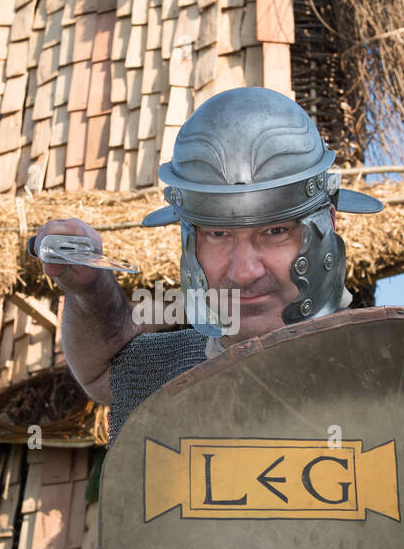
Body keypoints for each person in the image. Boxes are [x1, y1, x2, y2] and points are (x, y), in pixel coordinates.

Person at [33, 87, 382, 442]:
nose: (244, 272)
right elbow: (101, 372)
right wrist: (90, 289)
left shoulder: (400, 365)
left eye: (275, 231)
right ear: (189, 241)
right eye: (218, 233)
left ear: (327, 226)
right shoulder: (170, 369)